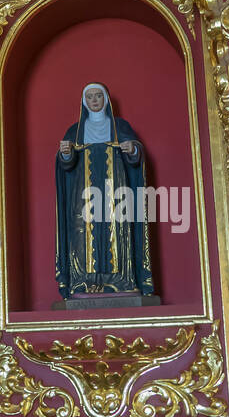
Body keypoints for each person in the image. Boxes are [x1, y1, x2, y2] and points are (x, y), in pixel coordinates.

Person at [55, 83, 155, 299]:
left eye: (98, 96)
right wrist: (65, 153)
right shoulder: (75, 131)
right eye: (90, 97)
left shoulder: (119, 126)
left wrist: (133, 149)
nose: (94, 100)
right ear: (84, 101)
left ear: (106, 99)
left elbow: (136, 156)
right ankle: (84, 281)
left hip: (115, 188)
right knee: (82, 231)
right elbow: (66, 165)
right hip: (84, 193)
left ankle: (121, 280)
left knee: (118, 228)